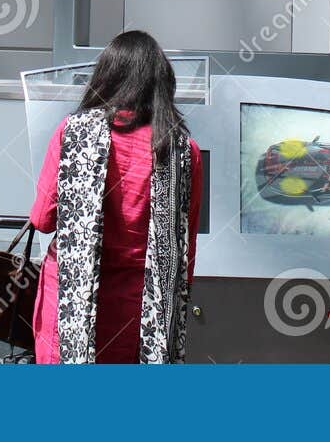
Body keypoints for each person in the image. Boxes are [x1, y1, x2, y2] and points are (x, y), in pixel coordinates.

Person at [28, 29, 202, 364]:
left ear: (105, 77)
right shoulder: (183, 150)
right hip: (142, 316)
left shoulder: (74, 132)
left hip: (70, 310)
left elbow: (43, 219)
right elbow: (185, 248)